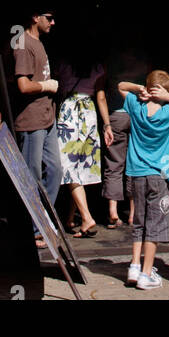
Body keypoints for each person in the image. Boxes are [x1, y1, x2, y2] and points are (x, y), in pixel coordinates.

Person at [118, 71, 169, 291]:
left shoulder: (136, 106)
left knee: (139, 221)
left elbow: (121, 85)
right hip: (159, 174)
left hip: (136, 172)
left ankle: (135, 265)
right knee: (155, 224)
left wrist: (140, 89)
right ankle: (146, 273)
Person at [14, 5, 62, 249]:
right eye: (49, 18)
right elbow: (23, 85)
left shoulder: (39, 42)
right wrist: (46, 86)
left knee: (55, 171)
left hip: (47, 118)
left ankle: (45, 222)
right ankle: (35, 228)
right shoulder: (23, 44)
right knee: (32, 174)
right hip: (32, 120)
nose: (53, 23)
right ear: (35, 17)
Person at [56, 51, 105, 237]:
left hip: (69, 112)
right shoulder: (98, 67)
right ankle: (70, 217)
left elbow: (58, 86)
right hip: (89, 112)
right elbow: (100, 96)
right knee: (79, 168)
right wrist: (106, 124)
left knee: (67, 166)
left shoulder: (63, 64)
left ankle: (86, 217)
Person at [97, 46, 147, 227]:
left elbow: (101, 97)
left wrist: (106, 124)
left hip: (116, 116)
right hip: (137, 116)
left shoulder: (110, 69)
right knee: (134, 163)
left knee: (114, 164)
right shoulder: (141, 66)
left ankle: (113, 211)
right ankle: (133, 213)